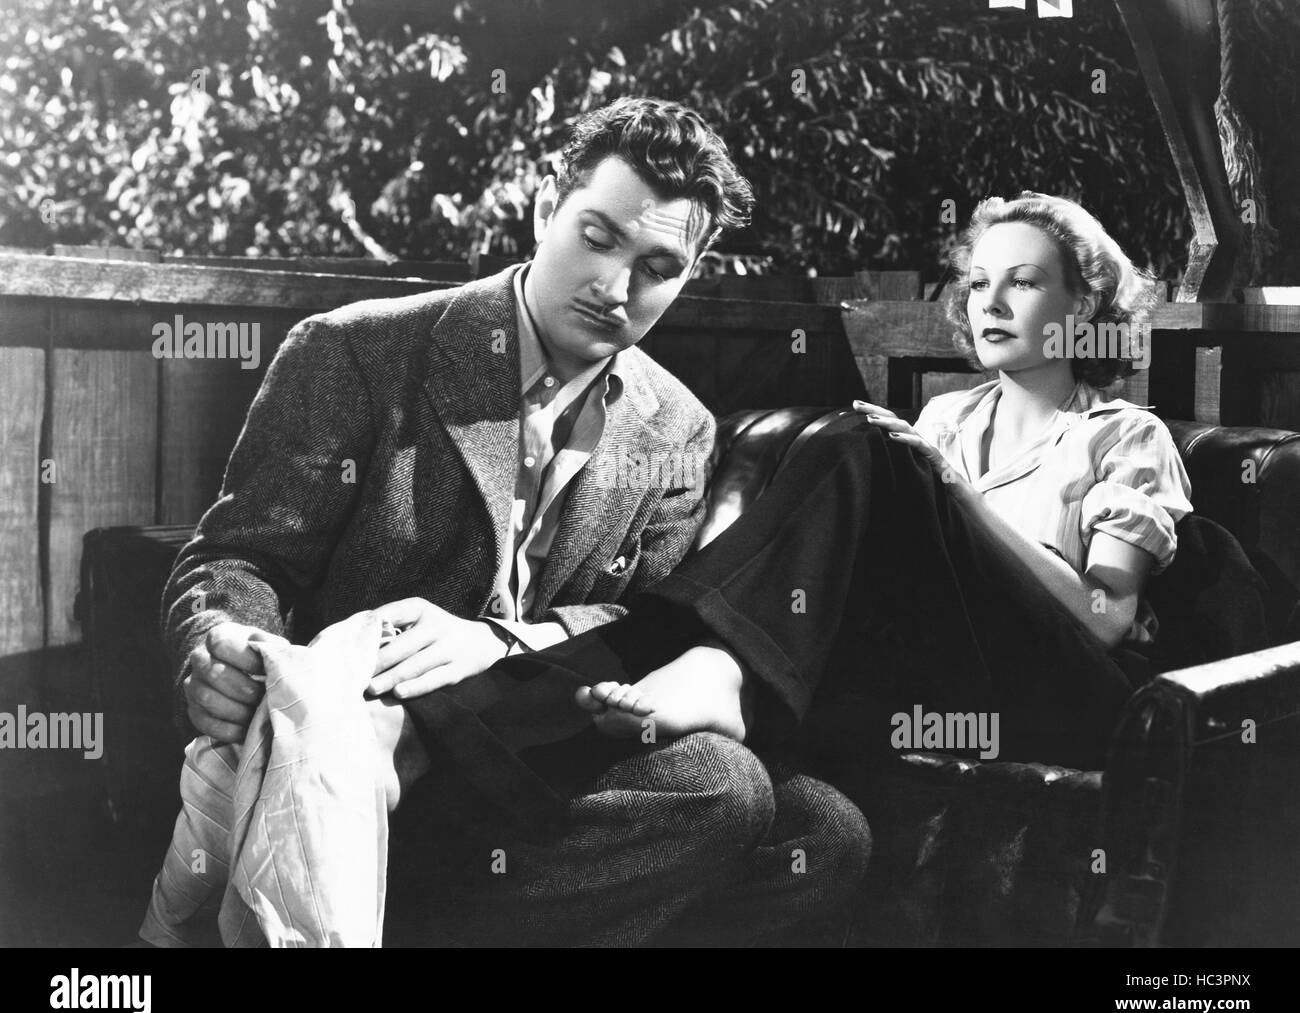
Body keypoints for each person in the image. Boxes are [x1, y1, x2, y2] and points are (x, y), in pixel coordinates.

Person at [157, 96, 871, 947]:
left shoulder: (678, 425)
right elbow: (240, 557)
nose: (615, 287)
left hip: (552, 751)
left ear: (690, 273)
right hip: (380, 762)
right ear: (545, 208)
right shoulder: (356, 351)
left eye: (657, 265)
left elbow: (648, 626)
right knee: (724, 786)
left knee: (823, 832)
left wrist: (502, 644)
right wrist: (220, 644)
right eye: (597, 237)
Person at [405, 192, 1194, 831]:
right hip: (938, 680)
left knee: (861, 444)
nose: (992, 301)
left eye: (1024, 282)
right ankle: (458, 745)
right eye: (981, 282)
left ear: (1082, 301)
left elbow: (1104, 620)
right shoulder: (946, 421)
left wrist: (954, 492)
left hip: (1059, 693)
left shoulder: (1123, 436)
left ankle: (717, 675)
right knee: (856, 449)